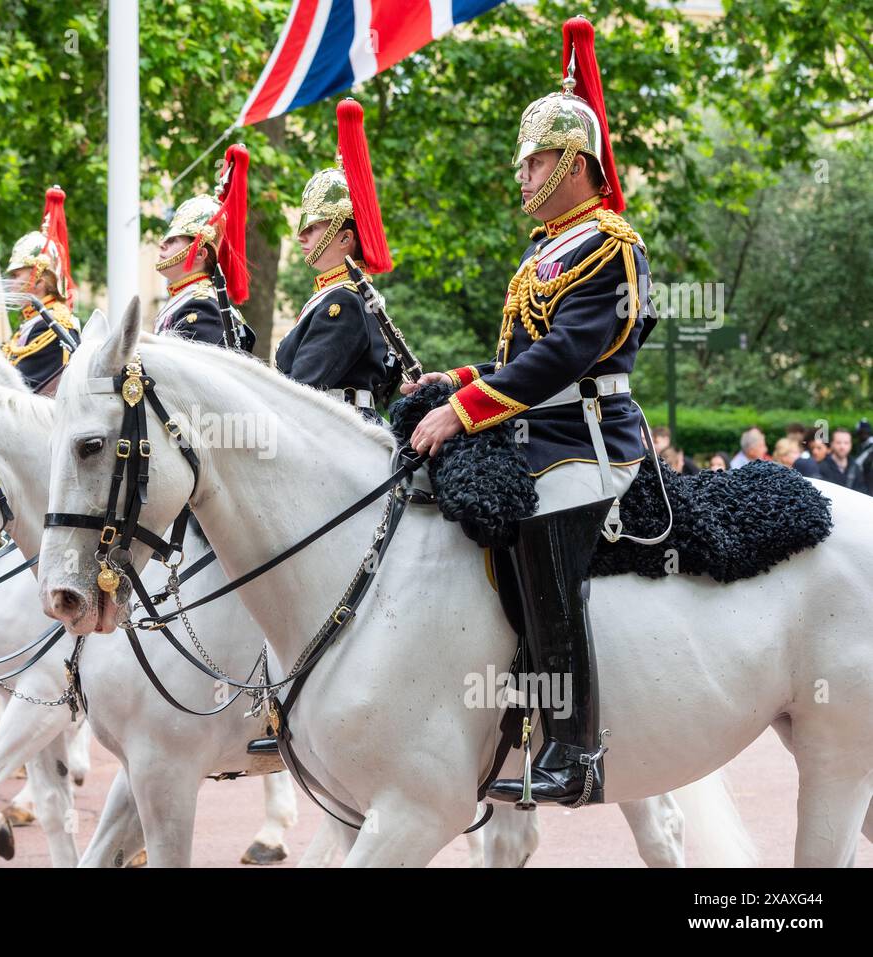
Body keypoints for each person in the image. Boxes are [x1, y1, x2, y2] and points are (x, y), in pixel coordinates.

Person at [406, 18, 652, 806]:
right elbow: (521, 355)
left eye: (536, 159)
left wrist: (467, 408)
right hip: (536, 433)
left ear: (574, 164)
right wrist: (466, 378)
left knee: (543, 536)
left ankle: (575, 748)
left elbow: (569, 353)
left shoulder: (609, 244)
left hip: (586, 441)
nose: (521, 174)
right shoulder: (544, 248)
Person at [276, 98, 398, 424]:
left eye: (313, 228)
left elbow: (300, 388)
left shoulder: (342, 301)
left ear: (345, 238)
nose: (301, 237)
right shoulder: (343, 295)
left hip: (340, 431)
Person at [154, 144, 256, 352]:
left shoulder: (201, 306)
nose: (162, 243)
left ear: (200, 253)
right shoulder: (186, 298)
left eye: (174, 240)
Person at [3, 186, 78, 396]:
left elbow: (18, 387)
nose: (11, 283)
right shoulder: (35, 321)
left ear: (40, 279)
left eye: (16, 275)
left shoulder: (52, 325)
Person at [818, 428, 868, 493]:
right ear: (832, 444)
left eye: (846, 443)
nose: (842, 446)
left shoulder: (856, 468)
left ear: (851, 445)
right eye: (838, 443)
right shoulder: (821, 467)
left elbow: (862, 492)